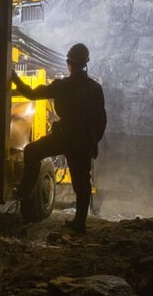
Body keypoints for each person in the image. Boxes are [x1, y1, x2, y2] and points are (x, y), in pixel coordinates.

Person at [11, 43, 107, 233]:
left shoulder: (62, 85)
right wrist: (94, 141)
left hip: (65, 135)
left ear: (69, 63)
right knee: (82, 181)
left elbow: (31, 94)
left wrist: (15, 78)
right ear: (85, 64)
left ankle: (24, 192)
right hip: (84, 139)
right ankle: (80, 222)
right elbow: (102, 119)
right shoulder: (95, 88)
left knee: (32, 151)